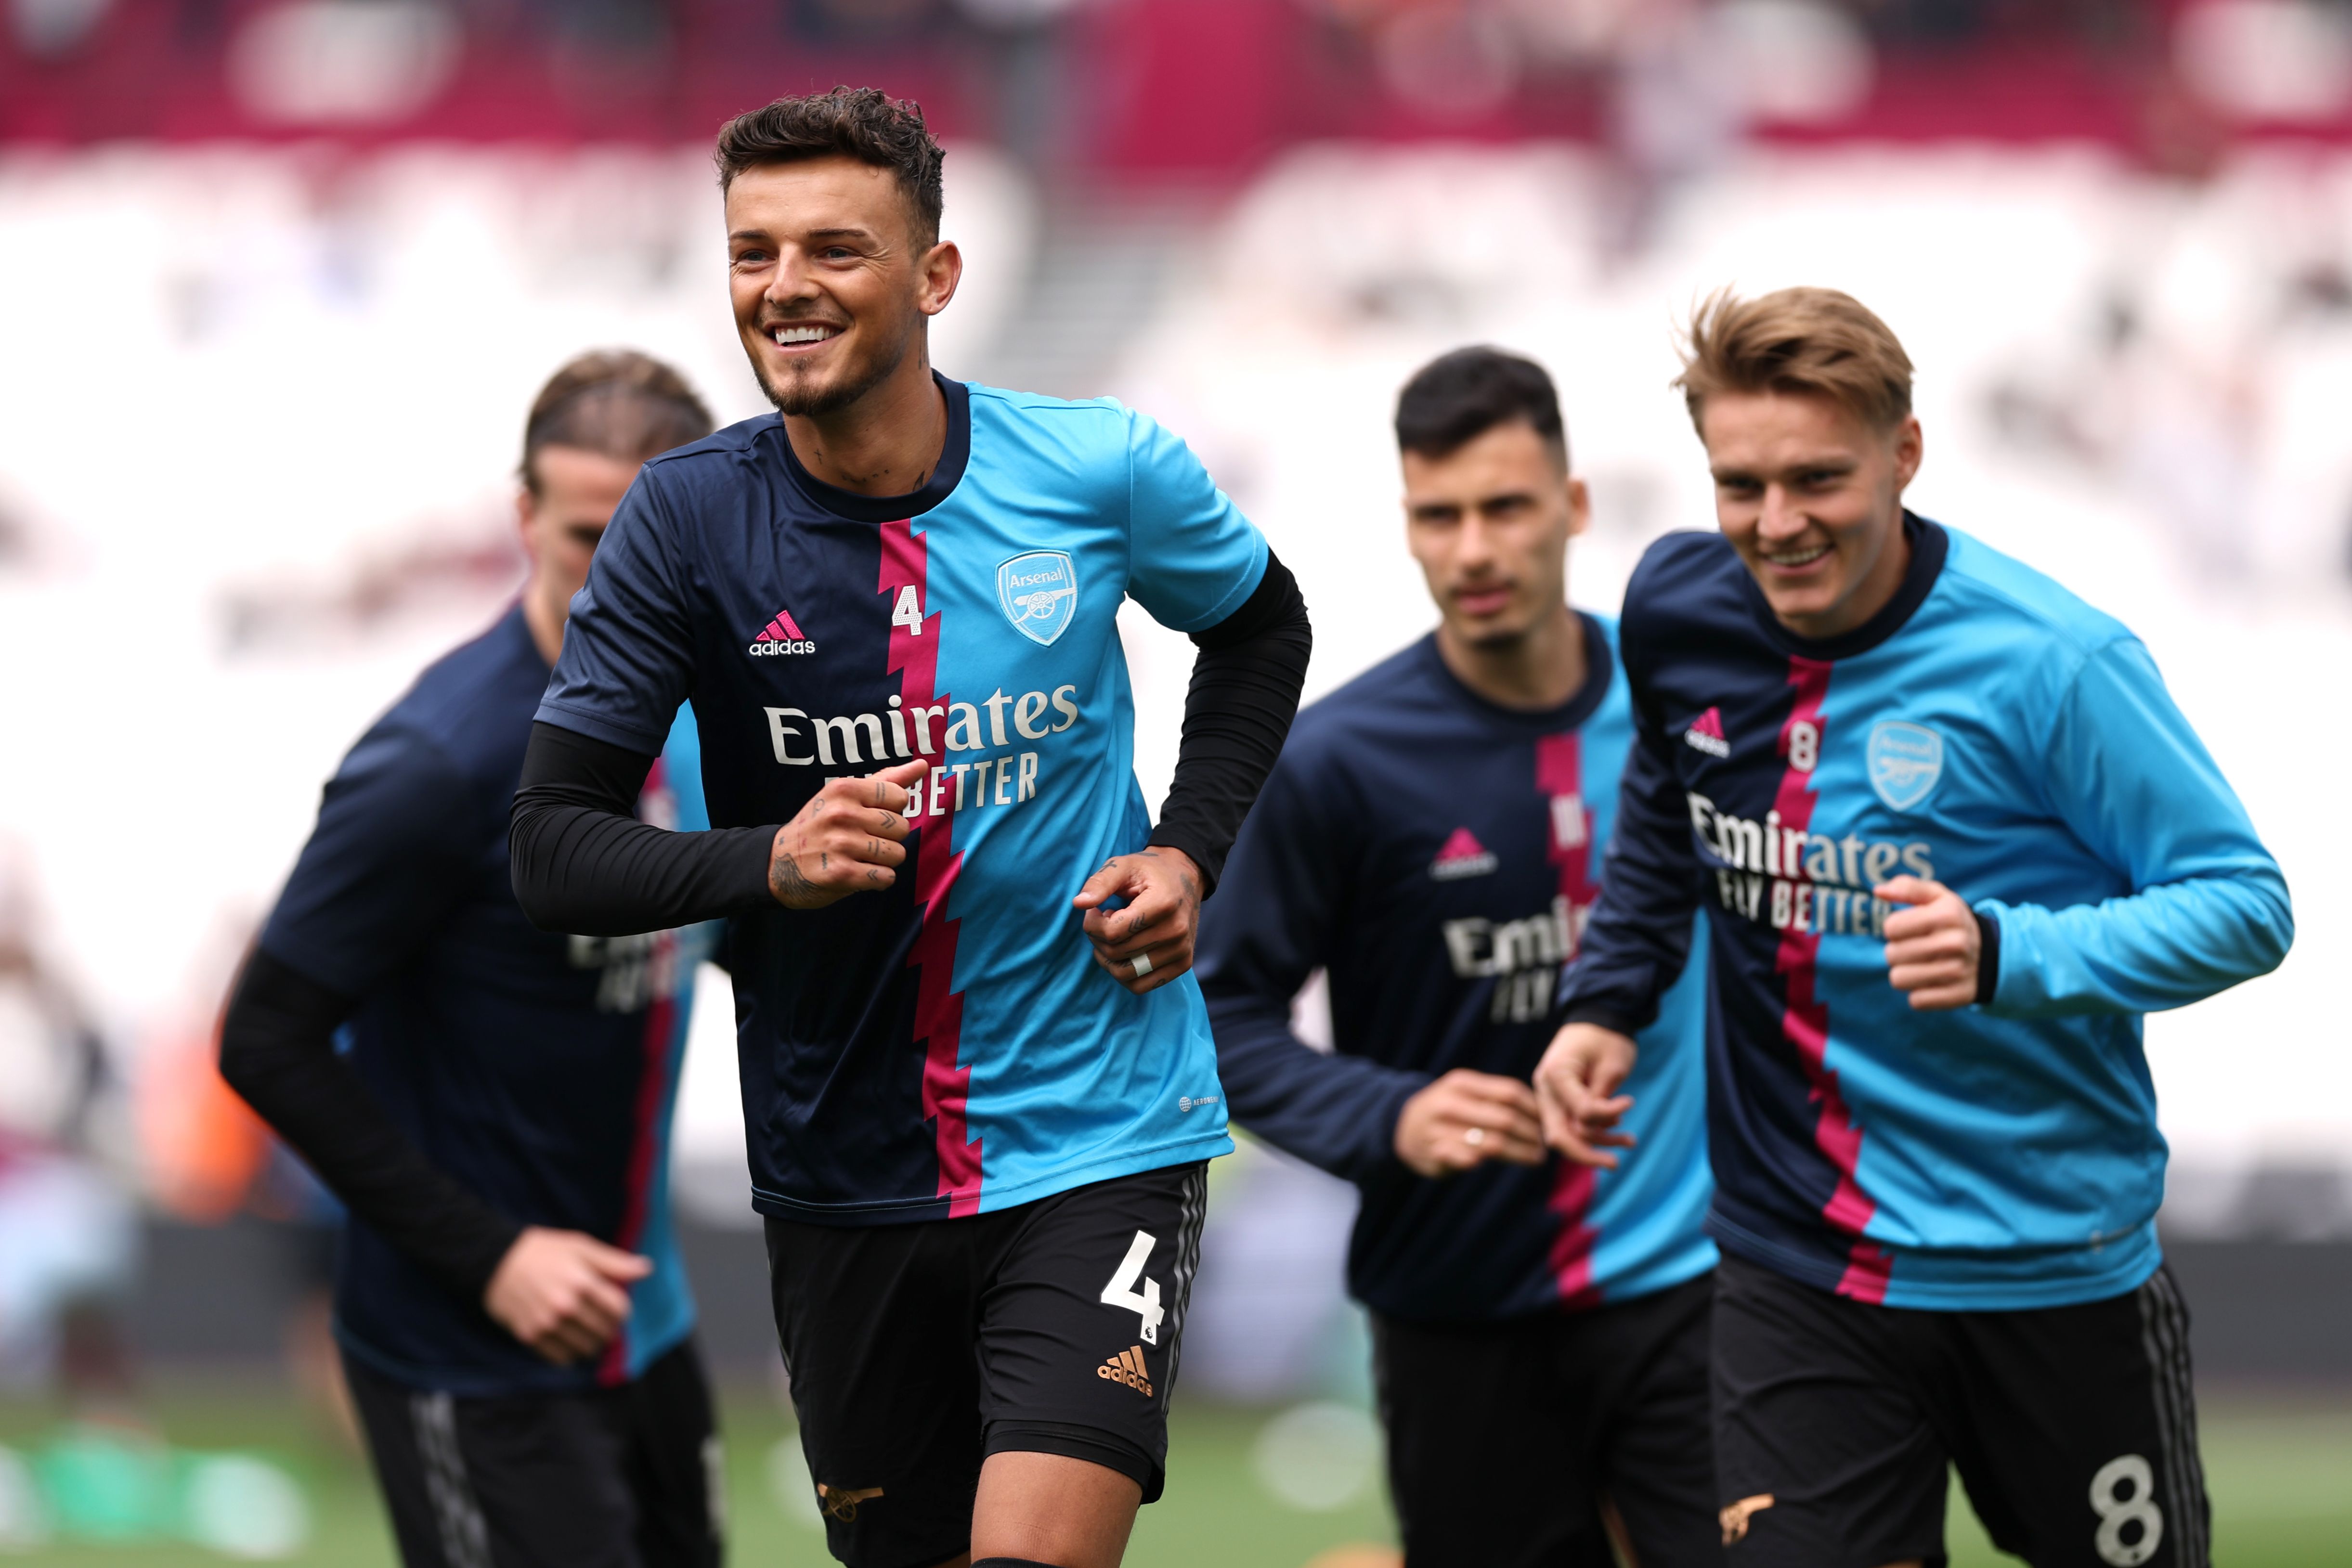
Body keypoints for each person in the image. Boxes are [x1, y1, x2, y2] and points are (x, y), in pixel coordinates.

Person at [505, 89, 1311, 1568]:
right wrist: (767, 864)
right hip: (841, 1165)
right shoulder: (682, 525)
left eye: (832, 247)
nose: (783, 287)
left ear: (934, 277)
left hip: (1096, 1128)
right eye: (752, 253)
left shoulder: (1100, 470)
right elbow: (550, 845)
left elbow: (1261, 629)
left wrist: (1187, 846)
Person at [1536, 287, 2293, 1568]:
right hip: (1797, 1262)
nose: (1773, 524)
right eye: (1739, 483)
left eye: (1815, 478)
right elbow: (1669, 806)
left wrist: (2010, 954)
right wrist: (1605, 1002)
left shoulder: (2051, 661)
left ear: (1903, 453)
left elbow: (2241, 904)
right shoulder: (1675, 608)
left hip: (2049, 1269)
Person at [1197, 348, 1721, 1568]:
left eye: (1506, 507)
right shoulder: (1339, 762)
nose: (1475, 548)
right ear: (1408, 528)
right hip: (1457, 1307)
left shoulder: (1691, 709)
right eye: (1442, 515)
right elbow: (1213, 1019)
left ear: (1575, 509)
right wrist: (1391, 1114)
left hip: (1694, 1286)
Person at [220, 351, 724, 1568]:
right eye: (588, 535)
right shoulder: (439, 763)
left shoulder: (726, 721)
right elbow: (264, 1037)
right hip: (470, 1348)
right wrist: (489, 1253)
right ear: (523, 521)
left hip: (648, 1333)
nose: (620, 577)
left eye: (652, 537)